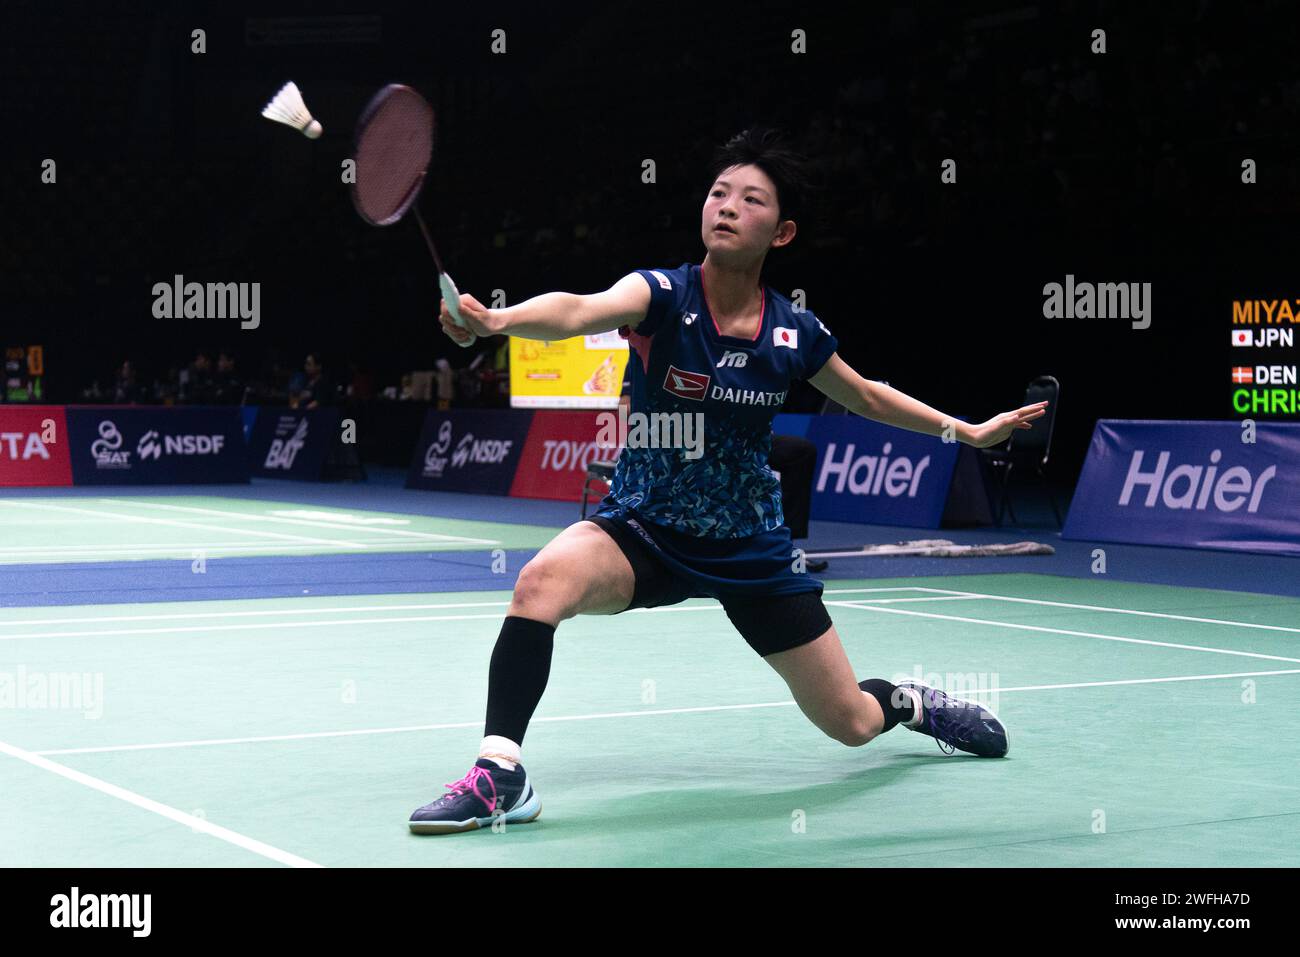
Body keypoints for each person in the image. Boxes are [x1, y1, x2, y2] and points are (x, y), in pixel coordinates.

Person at [412, 128, 1048, 834]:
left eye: (751, 200)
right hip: (645, 528)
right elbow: (579, 308)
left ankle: (910, 703)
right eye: (719, 193)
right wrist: (499, 320)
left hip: (751, 547)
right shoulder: (661, 295)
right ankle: (500, 773)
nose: (727, 207)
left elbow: (867, 395)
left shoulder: (793, 331)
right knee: (539, 583)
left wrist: (971, 430)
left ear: (783, 232)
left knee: (851, 722)